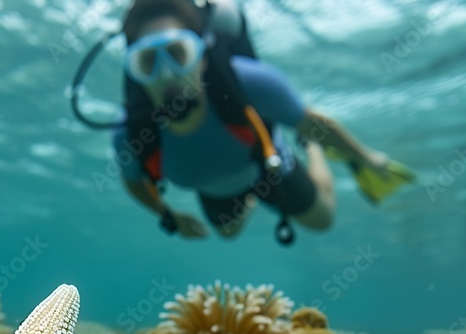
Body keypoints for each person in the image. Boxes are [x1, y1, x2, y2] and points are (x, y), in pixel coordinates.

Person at [112, 0, 414, 242]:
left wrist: (368, 158)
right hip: (218, 191)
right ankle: (249, 202)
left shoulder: (252, 83)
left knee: (323, 220)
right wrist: (169, 216)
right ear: (134, 74)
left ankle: (312, 151)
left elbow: (312, 123)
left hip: (269, 165)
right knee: (228, 233)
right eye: (148, 62)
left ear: (202, 57)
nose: (166, 74)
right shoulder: (131, 135)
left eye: (178, 55)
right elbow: (135, 183)